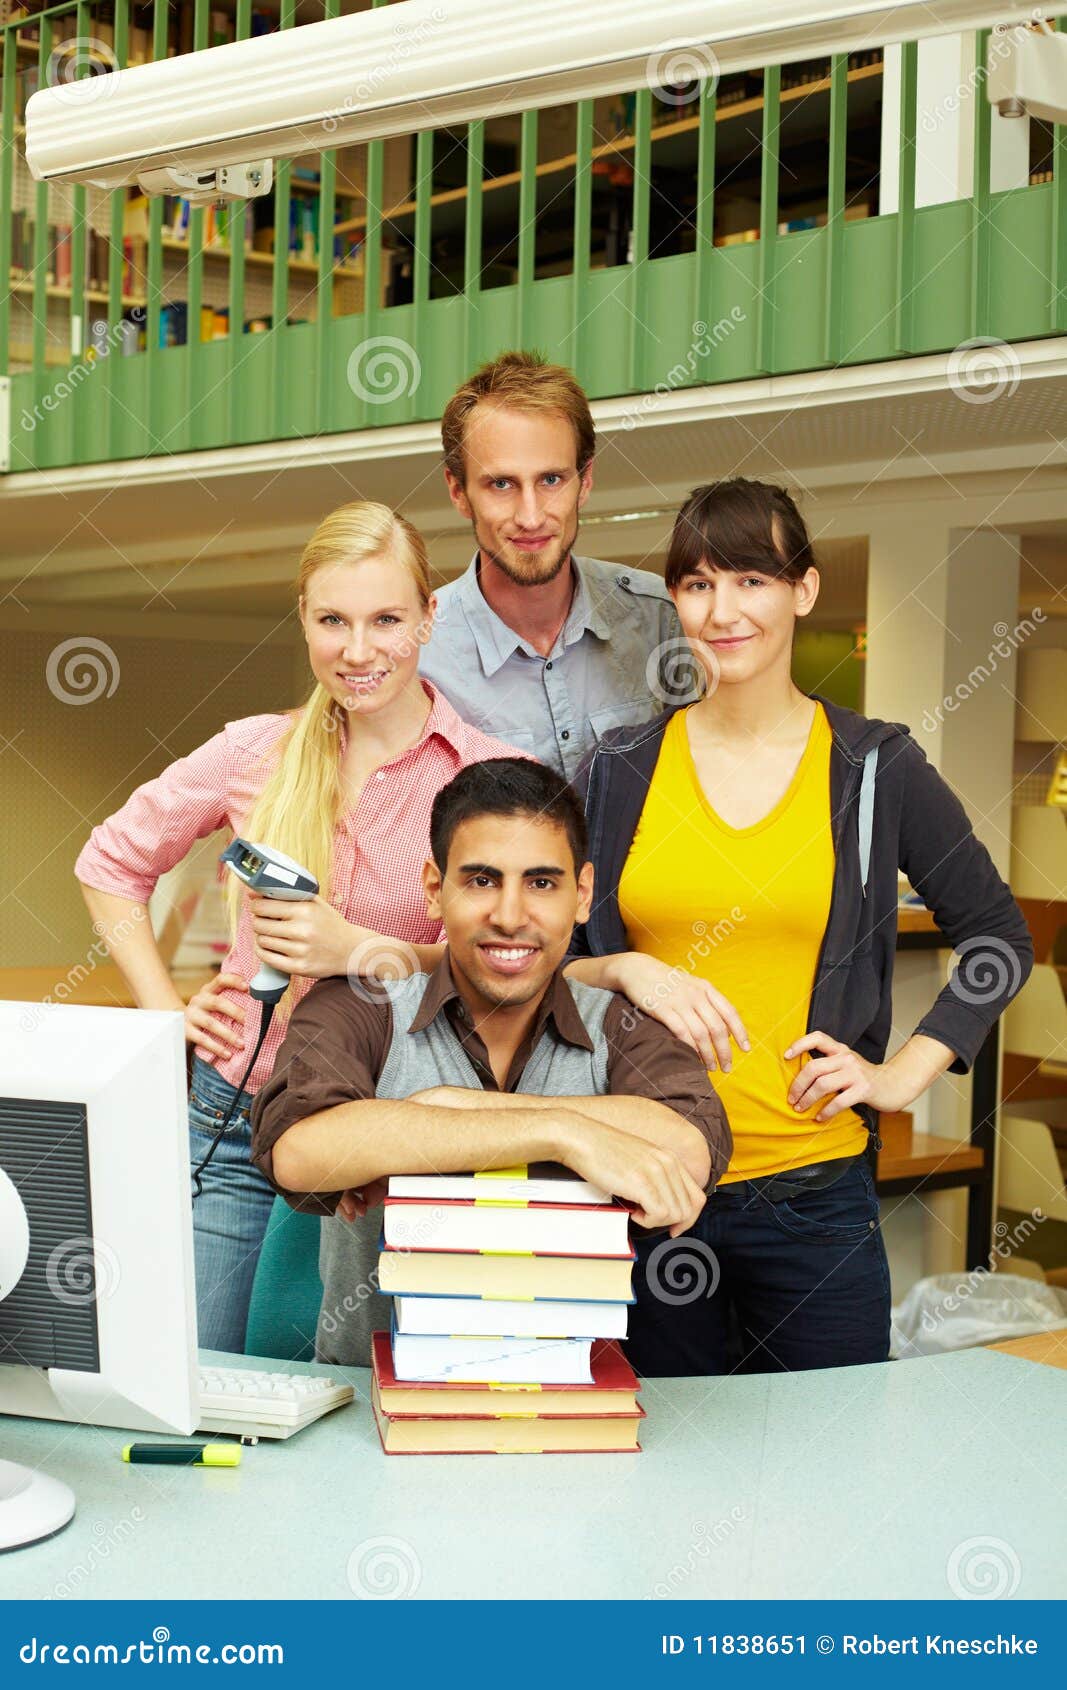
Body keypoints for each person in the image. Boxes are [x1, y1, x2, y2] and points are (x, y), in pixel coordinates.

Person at [565, 477, 1034, 1376]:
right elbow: (552, 966)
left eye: (751, 579)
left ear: (803, 591)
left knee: (830, 1474)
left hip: (814, 1197)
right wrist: (623, 967)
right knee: (664, 1473)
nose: (722, 609)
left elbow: (996, 937)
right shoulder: (619, 770)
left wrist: (902, 1076)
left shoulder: (871, 768)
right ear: (675, 600)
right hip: (649, 1188)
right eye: (697, 583)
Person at [74, 502, 524, 1353]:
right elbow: (109, 863)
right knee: (203, 1373)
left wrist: (356, 952)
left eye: (387, 619)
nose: (359, 651)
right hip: (232, 1114)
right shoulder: (255, 753)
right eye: (333, 621)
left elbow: (515, 970)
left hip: (392, 1124)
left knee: (368, 1385)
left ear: (430, 617)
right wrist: (160, 1006)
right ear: (306, 623)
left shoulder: (493, 777)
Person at [250, 758, 731, 1367]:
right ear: (434, 889)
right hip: (369, 1417)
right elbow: (298, 1150)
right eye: (481, 881)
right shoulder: (359, 1002)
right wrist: (564, 1131)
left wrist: (439, 1115)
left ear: (582, 895)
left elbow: (689, 1145)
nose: (509, 915)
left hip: (567, 1408)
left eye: (541, 883)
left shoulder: (622, 1019)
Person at [419, 350, 694, 778]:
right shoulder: (417, 655)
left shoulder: (662, 617)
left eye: (551, 480)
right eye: (501, 484)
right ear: (458, 492)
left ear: (584, 481)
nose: (530, 517)